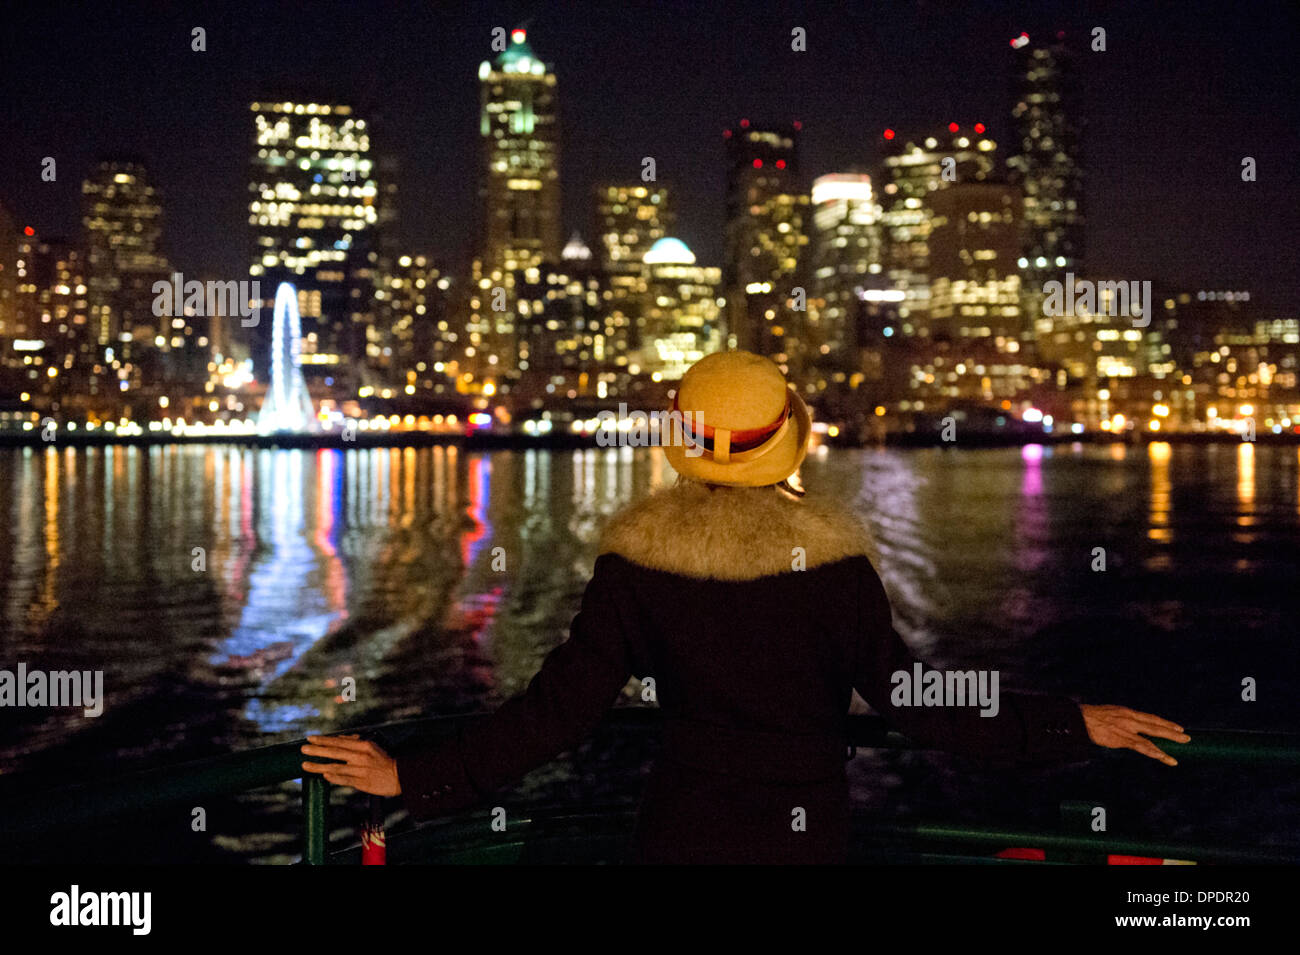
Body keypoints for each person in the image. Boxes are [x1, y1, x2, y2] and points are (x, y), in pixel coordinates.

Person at [302, 350, 1188, 864]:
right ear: (788, 440)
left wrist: (413, 778)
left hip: (677, 832)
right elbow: (919, 703)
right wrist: (1073, 723)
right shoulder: (834, 566)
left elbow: (558, 712)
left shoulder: (639, 561)